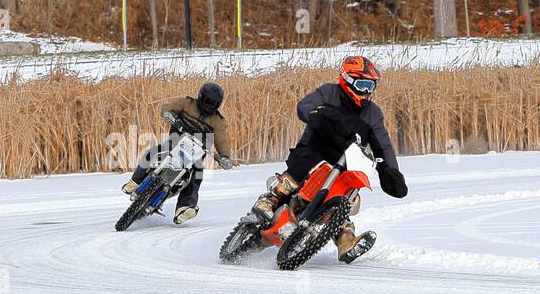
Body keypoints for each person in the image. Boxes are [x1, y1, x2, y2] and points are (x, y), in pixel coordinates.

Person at [250, 56, 407, 264]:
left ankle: (346, 239)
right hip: (314, 150)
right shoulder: (328, 92)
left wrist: (390, 170)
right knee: (306, 162)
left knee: (349, 192)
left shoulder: (372, 114)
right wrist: (319, 113)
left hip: (344, 164)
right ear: (347, 79)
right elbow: (305, 106)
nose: (366, 91)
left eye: (371, 85)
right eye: (362, 84)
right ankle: (270, 199)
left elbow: (383, 144)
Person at [122, 81, 234, 224]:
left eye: (213, 103)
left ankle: (185, 208)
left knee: (197, 175)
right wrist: (170, 115)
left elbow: (222, 140)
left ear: (218, 105)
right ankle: (135, 182)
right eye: (206, 101)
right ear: (200, 97)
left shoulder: (218, 121)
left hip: (196, 155)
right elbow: (167, 108)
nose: (208, 105)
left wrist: (225, 157)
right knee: (153, 153)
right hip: (175, 142)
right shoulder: (186, 103)